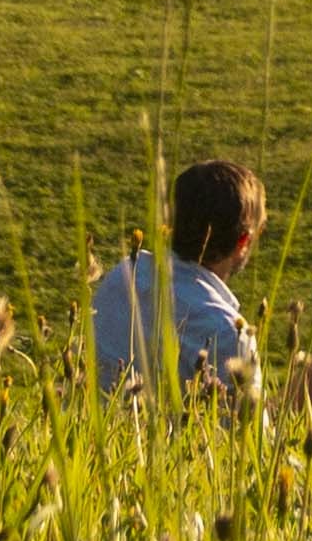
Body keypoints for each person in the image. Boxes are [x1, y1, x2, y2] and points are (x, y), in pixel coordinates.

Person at [92, 156, 264, 402]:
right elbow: (251, 435)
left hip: (84, 430)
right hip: (166, 438)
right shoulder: (228, 334)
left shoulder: (125, 274)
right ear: (243, 242)